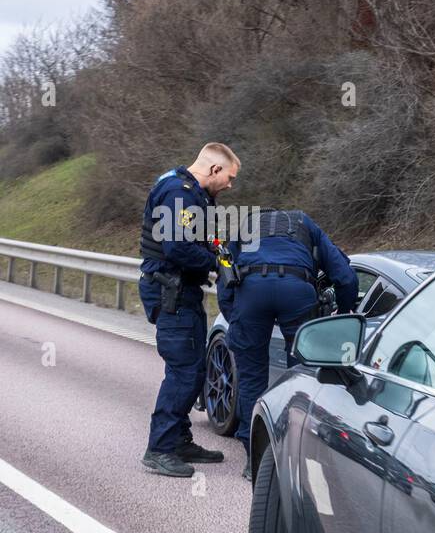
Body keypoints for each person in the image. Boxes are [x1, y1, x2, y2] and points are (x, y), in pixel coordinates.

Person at [227, 208, 358, 479]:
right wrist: (343, 315)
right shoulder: (304, 223)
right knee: (299, 377)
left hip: (251, 292)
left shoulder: (246, 224)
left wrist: (235, 316)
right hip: (296, 290)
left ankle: (255, 461)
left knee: (251, 376)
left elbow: (226, 271)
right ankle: (293, 454)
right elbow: (346, 277)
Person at [139, 143, 240, 477]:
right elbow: (178, 247)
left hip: (182, 291)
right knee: (184, 371)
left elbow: (190, 239)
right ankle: (160, 449)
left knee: (194, 368)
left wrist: (215, 249)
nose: (230, 184)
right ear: (214, 170)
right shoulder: (179, 193)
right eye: (229, 176)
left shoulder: (193, 193)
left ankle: (179, 440)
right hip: (171, 292)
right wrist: (216, 264)